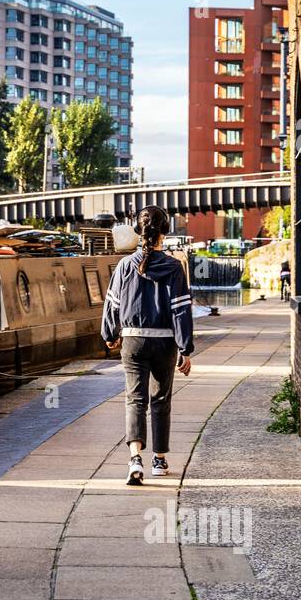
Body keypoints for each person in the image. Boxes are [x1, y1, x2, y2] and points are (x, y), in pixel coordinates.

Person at [101, 206, 194, 486]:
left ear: (138, 231)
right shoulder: (175, 267)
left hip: (132, 341)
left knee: (135, 399)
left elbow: (113, 304)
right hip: (164, 342)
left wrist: (109, 334)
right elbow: (180, 309)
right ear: (164, 233)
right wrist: (185, 348)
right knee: (161, 400)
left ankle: (134, 458)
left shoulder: (124, 266)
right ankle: (160, 460)